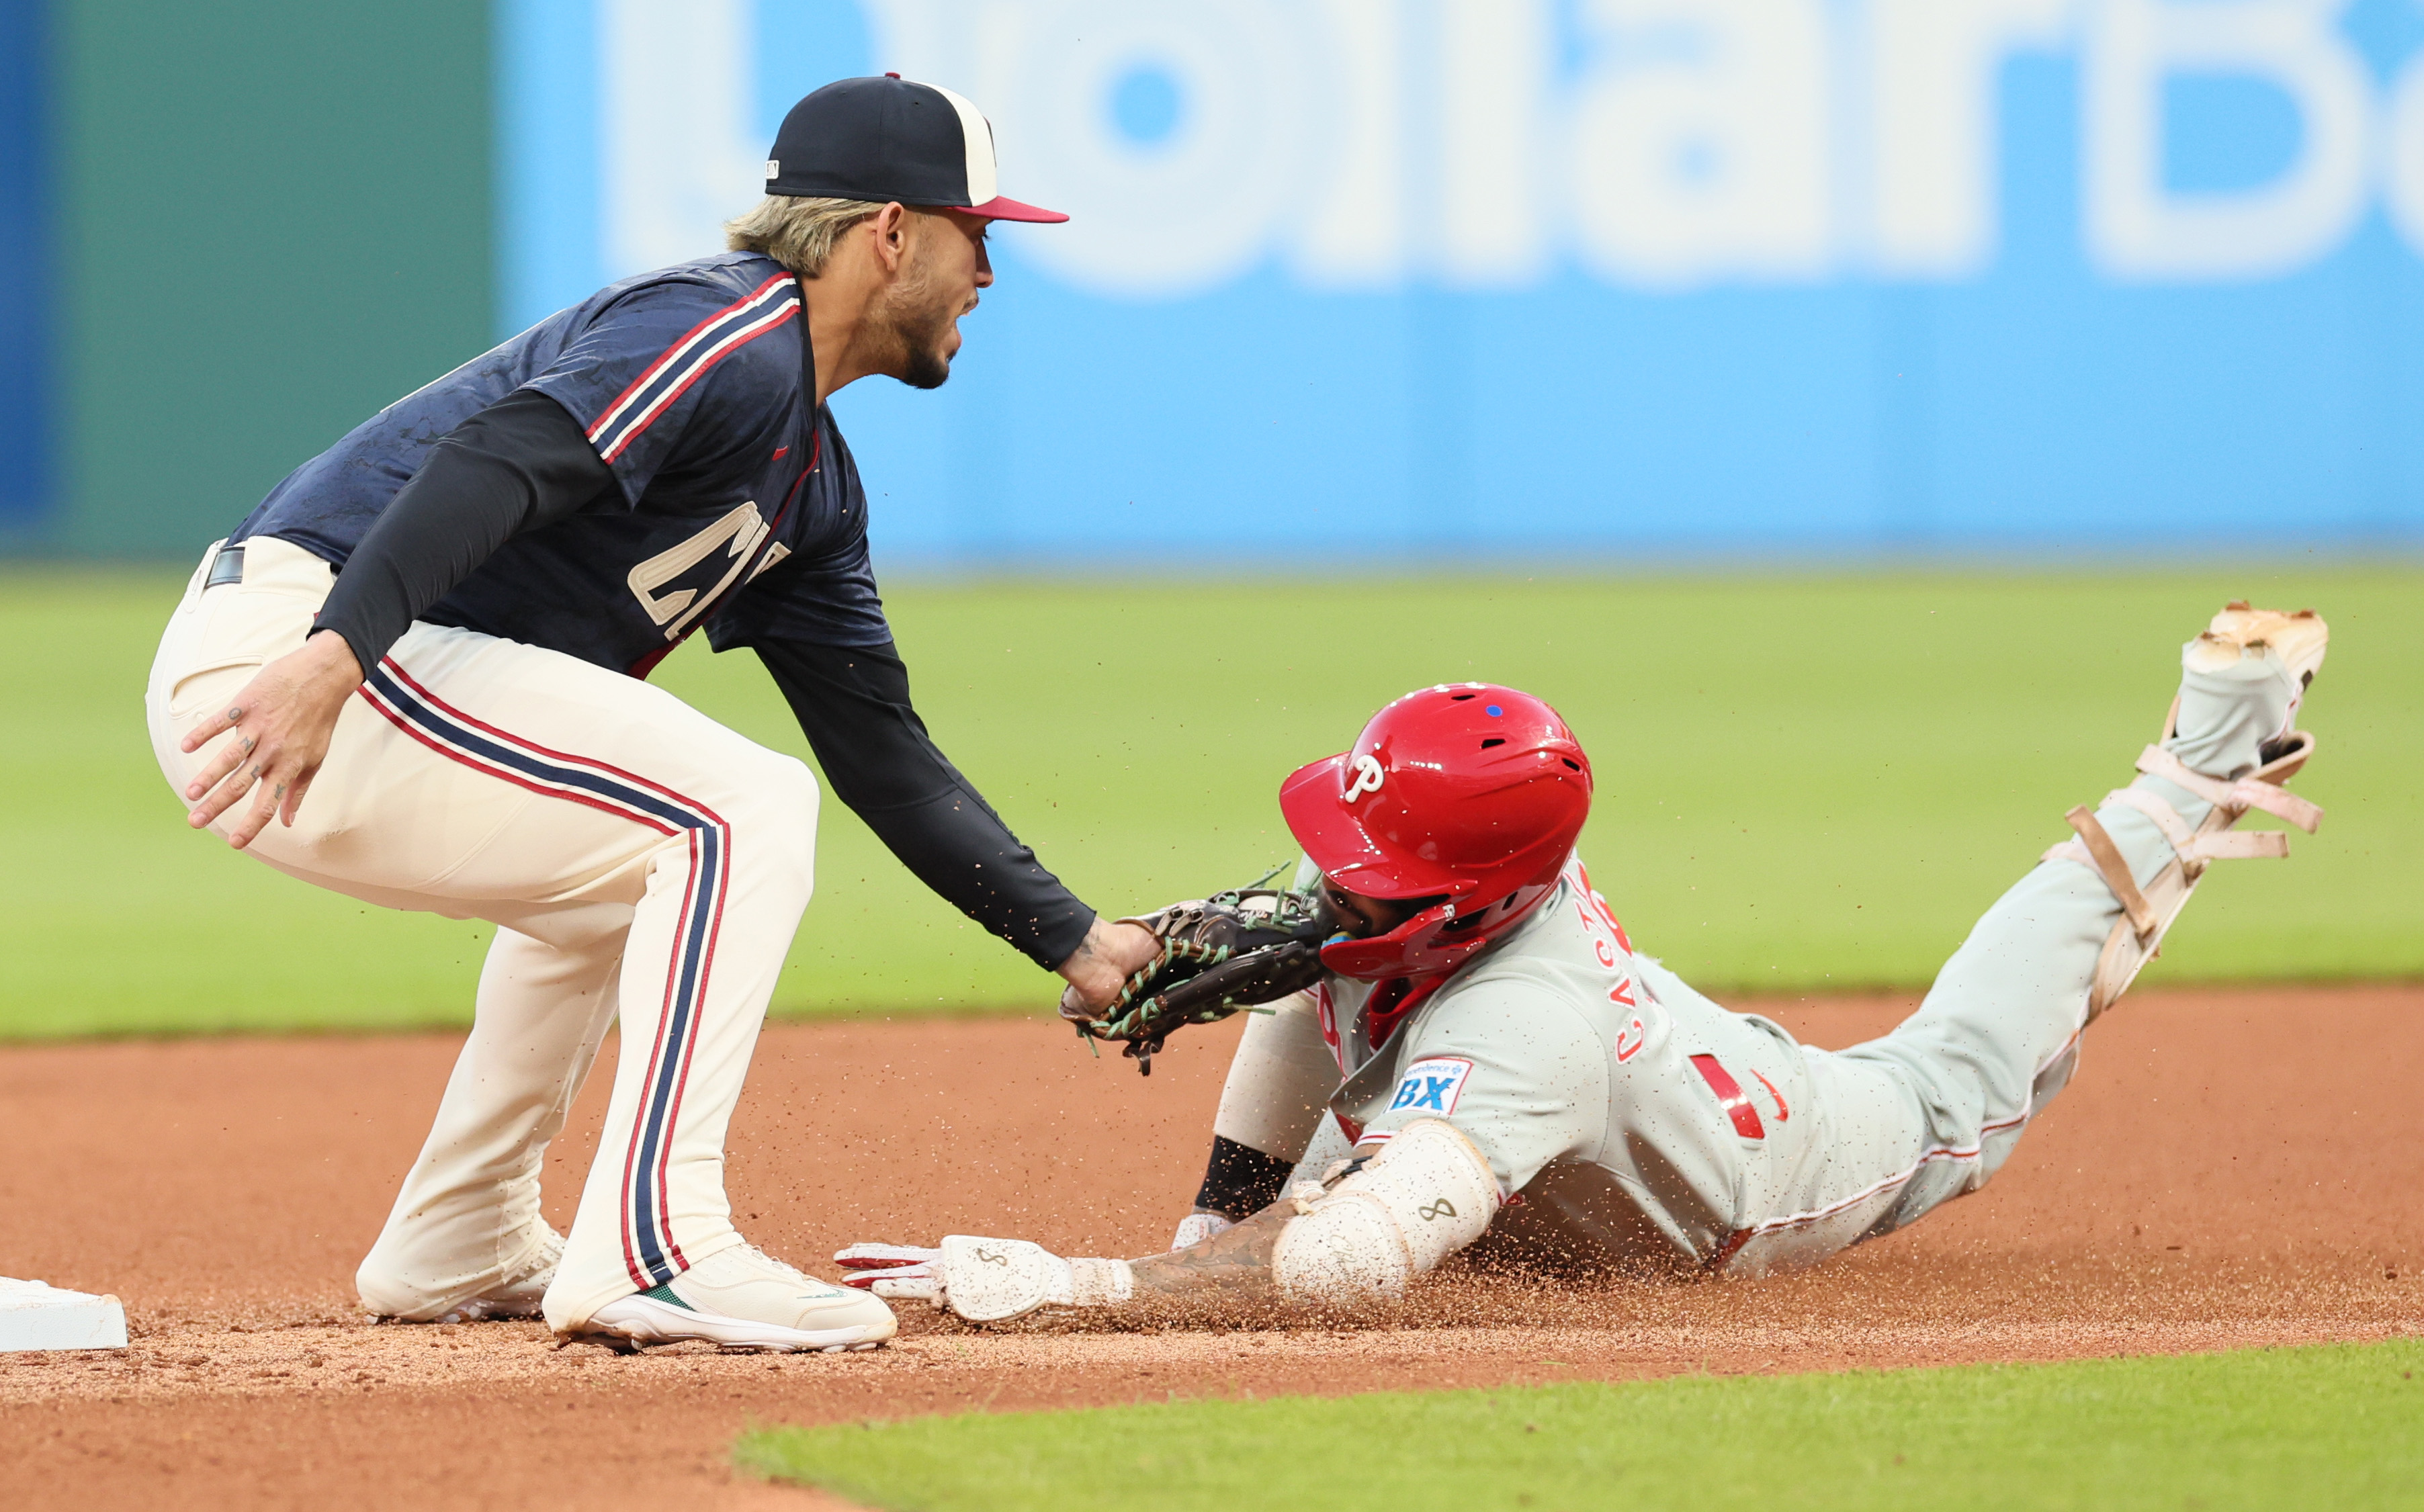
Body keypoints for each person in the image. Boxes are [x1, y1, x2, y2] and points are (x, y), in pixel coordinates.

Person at [141, 75, 1158, 1353]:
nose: (991, 273)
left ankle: (466, 1228)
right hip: (303, 654)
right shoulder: (727, 329)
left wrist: (1075, 940)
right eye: (979, 234)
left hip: (369, 661)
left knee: (642, 866)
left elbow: (882, 754)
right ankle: (656, 1249)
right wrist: (334, 653)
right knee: (736, 808)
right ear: (891, 233)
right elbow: (496, 461)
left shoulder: (811, 485)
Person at [835, 604, 2327, 1321]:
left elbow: (1342, 1273)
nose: (1333, 884)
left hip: (1779, 1162)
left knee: (1956, 1077)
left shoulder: (1527, 1024)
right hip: (1635, 1062)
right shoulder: (1428, 873)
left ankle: (2196, 765)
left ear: (1470, 895)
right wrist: (1213, 1214)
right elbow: (1309, 992)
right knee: (1342, 1121)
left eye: (1372, 872)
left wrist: (1090, 1284)